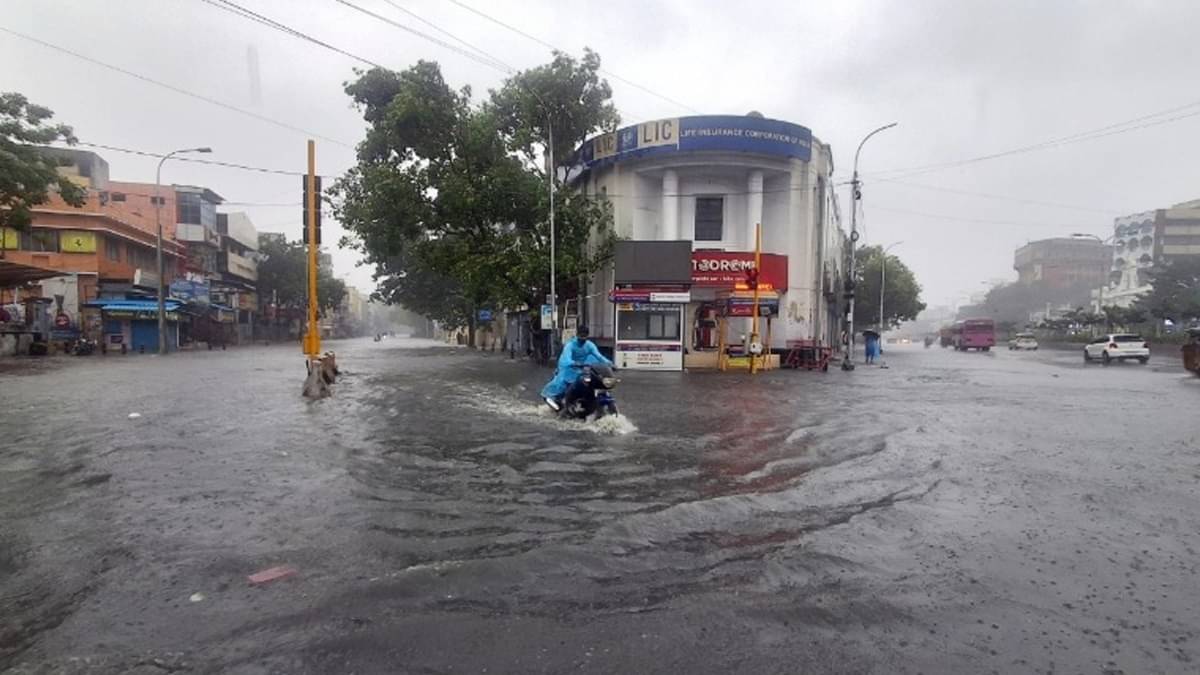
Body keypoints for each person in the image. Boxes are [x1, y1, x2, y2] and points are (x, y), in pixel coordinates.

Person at [541, 325, 612, 411]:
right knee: (562, 383)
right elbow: (566, 358)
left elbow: (599, 356)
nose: (583, 338)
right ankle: (558, 401)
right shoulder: (570, 345)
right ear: (577, 335)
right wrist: (574, 363)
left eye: (585, 336)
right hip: (567, 367)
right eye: (581, 336)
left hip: (581, 369)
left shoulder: (590, 345)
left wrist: (609, 363)